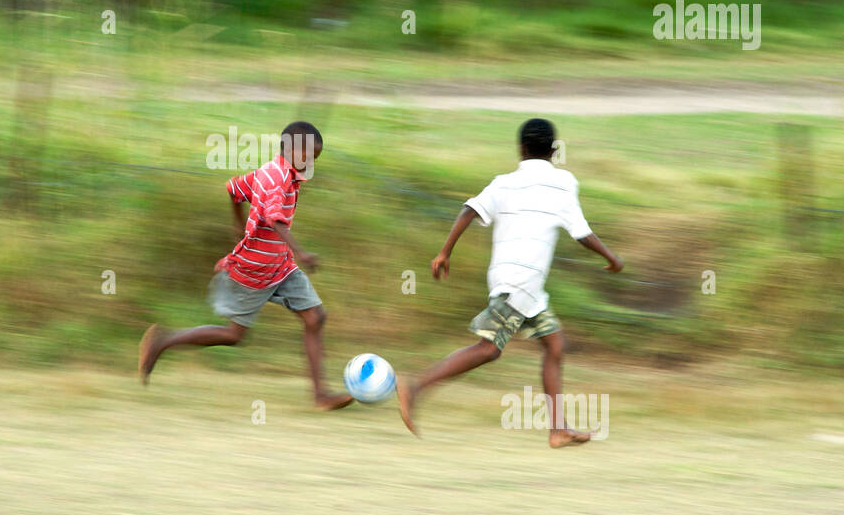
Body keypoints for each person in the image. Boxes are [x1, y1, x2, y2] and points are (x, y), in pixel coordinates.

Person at [397, 118, 623, 446]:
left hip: (521, 284)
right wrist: (612, 258)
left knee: (555, 345)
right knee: (488, 349)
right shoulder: (564, 183)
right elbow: (582, 233)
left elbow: (469, 210)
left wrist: (445, 252)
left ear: (520, 149)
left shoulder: (503, 183)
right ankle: (415, 386)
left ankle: (558, 430)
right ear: (555, 150)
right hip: (522, 281)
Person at [139, 121, 351, 410]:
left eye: (316, 159)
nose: (312, 164)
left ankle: (320, 396)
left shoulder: (274, 171)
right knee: (233, 335)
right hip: (255, 268)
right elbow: (275, 218)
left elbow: (234, 188)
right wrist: (302, 252)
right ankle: (162, 341)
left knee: (315, 318)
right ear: (293, 151)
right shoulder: (276, 179)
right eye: (310, 157)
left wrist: (238, 223)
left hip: (281, 266)